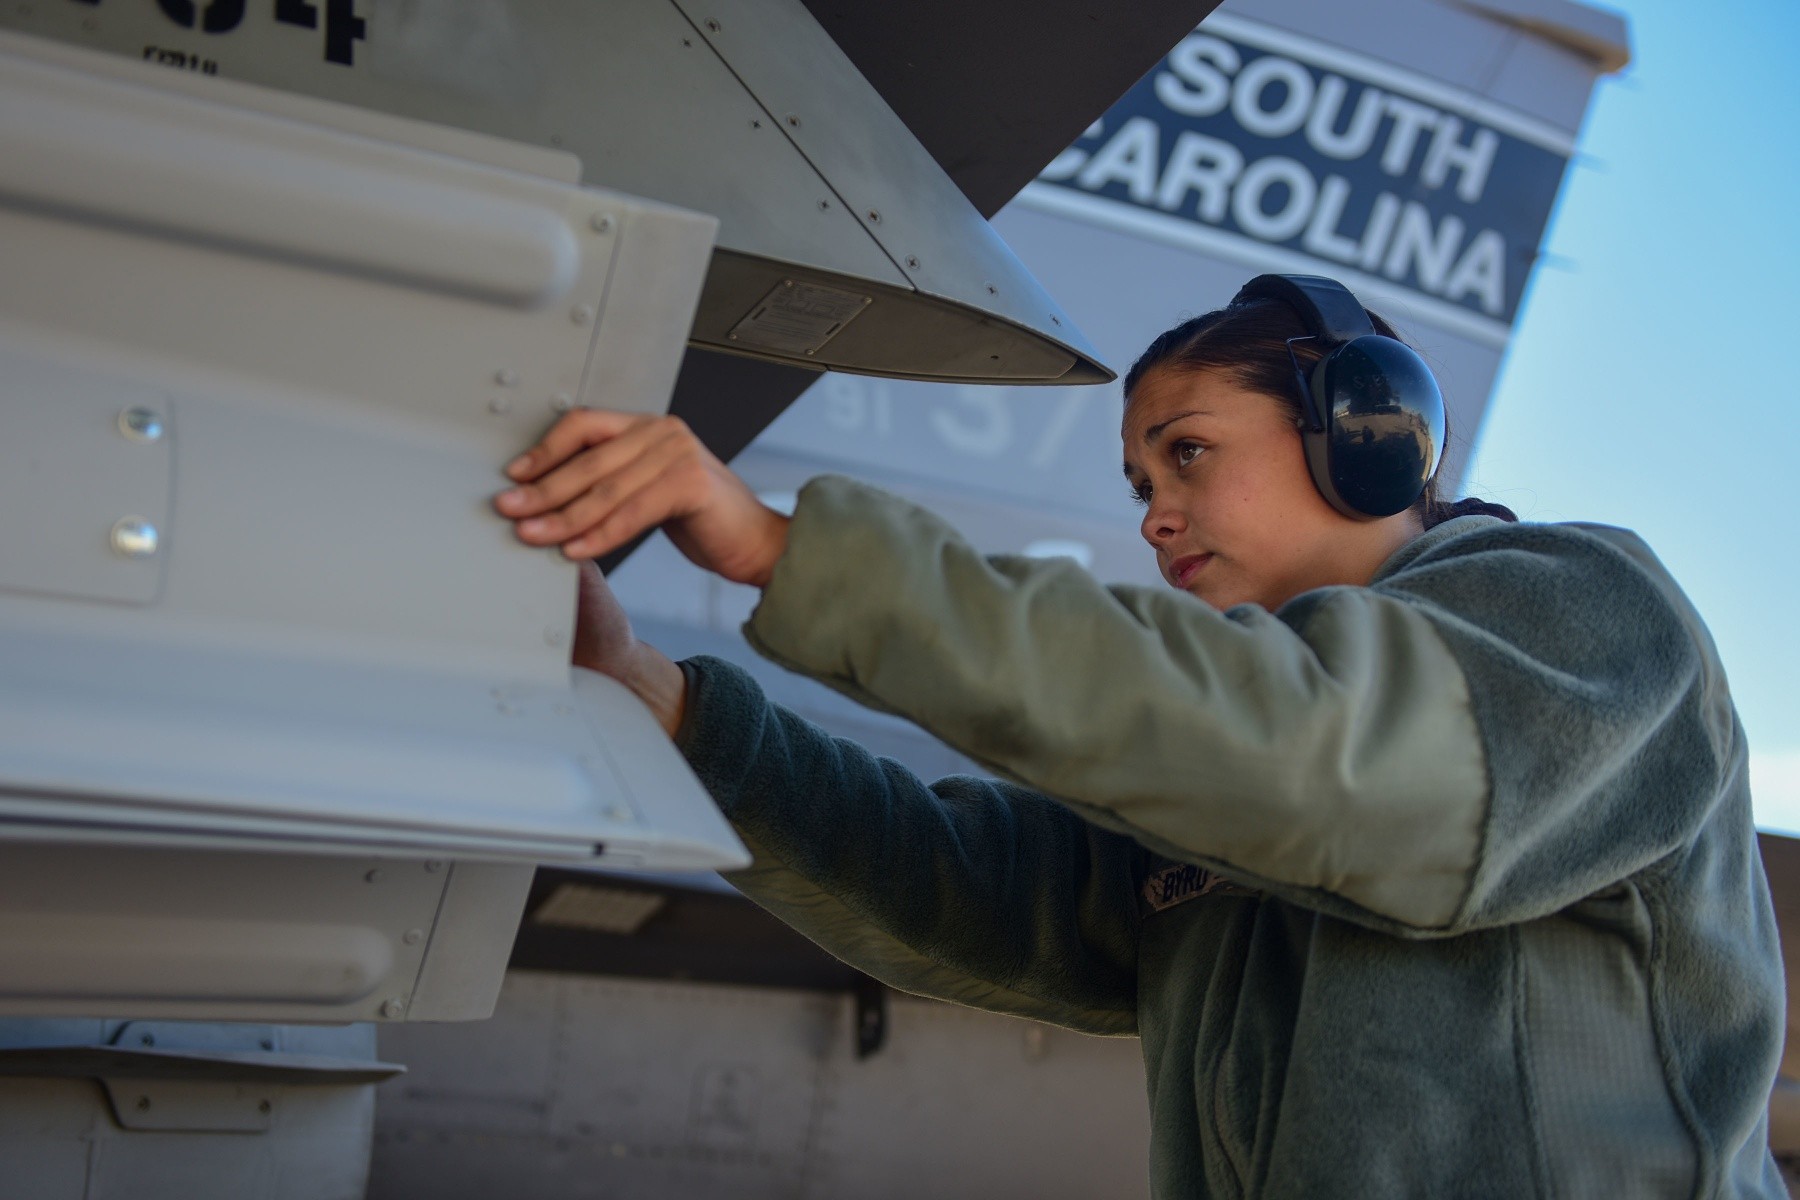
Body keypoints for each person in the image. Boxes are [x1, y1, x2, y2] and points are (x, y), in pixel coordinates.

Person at [492, 274, 1785, 1198]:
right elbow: (988, 894)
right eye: (1141, 484)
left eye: (1189, 454)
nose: (1156, 515)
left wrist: (790, 554)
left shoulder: (1583, 610)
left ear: (1364, 435)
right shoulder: (1223, 769)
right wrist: (658, 702)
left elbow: (1331, 762)